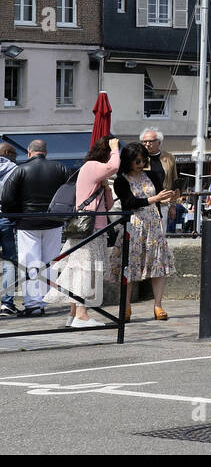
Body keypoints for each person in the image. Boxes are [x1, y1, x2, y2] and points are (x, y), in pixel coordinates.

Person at [1, 139, 70, 317]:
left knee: (29, 262)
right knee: (50, 262)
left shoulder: (20, 170)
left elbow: (7, 199)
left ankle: (33, 304)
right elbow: (70, 192)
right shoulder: (60, 168)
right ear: (45, 152)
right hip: (54, 222)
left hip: (27, 222)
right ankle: (45, 299)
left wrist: (15, 216)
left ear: (29, 152)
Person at [60, 136, 121, 327]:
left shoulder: (96, 173)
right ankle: (81, 314)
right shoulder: (91, 166)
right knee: (85, 271)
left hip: (95, 228)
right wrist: (115, 148)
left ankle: (73, 314)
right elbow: (114, 166)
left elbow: (108, 205)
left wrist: (107, 189)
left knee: (82, 270)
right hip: (89, 229)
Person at [114, 142, 179, 321]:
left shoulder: (151, 175)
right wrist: (154, 198)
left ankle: (158, 305)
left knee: (158, 265)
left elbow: (159, 198)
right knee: (129, 267)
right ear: (128, 161)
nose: (141, 164)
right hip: (134, 225)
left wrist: (168, 197)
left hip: (153, 225)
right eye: (137, 161)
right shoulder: (121, 180)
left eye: (143, 160)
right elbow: (129, 202)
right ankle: (126, 306)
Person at [0, 144, 19, 316]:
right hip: (7, 218)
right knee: (9, 261)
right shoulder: (15, 170)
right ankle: (7, 303)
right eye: (14, 154)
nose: (16, 157)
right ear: (7, 153)